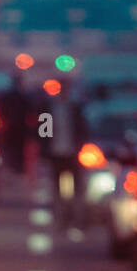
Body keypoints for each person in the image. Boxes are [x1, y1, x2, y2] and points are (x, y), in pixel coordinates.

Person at [45, 80, 86, 227]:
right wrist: (45, 151)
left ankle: (77, 217)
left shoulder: (75, 108)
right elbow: (44, 132)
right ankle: (60, 217)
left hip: (72, 153)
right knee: (56, 187)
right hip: (56, 152)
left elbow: (82, 129)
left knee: (77, 188)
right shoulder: (50, 109)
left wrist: (80, 147)